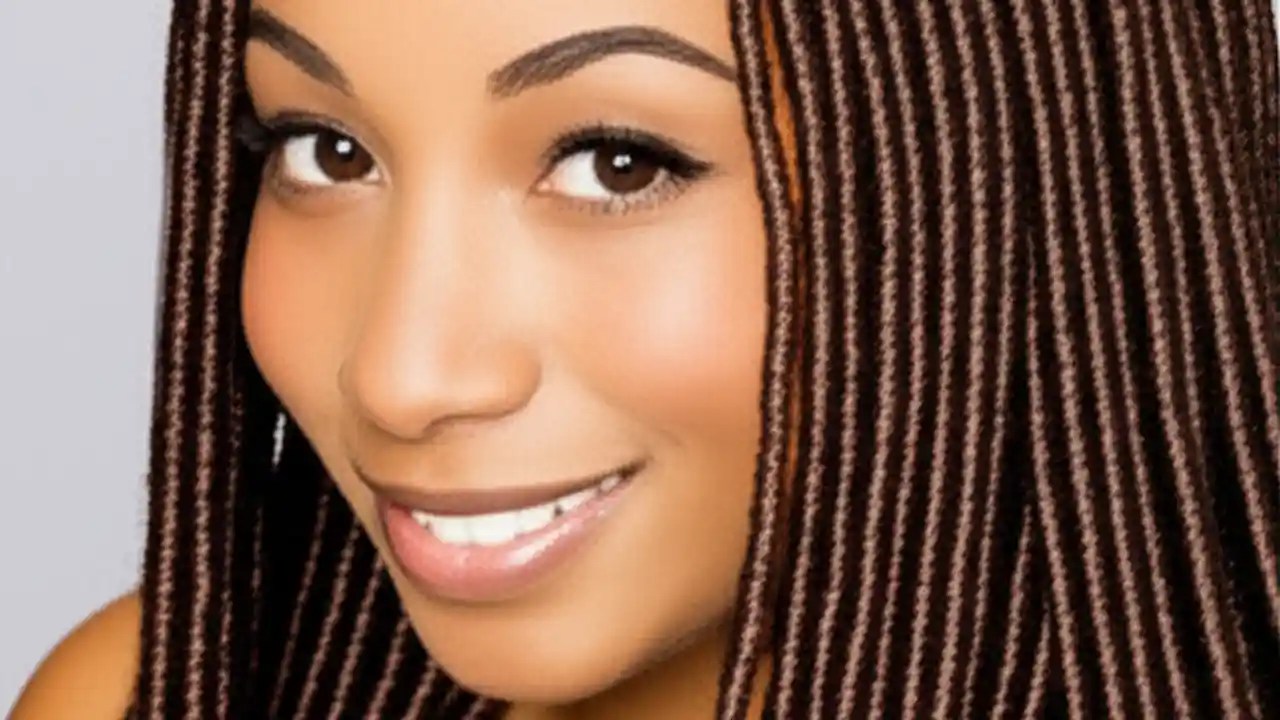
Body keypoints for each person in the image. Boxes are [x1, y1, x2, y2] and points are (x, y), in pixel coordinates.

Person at [12, 0, 1280, 718]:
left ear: (1022, 178)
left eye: (617, 163)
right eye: (323, 151)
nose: (399, 376)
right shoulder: (157, 696)